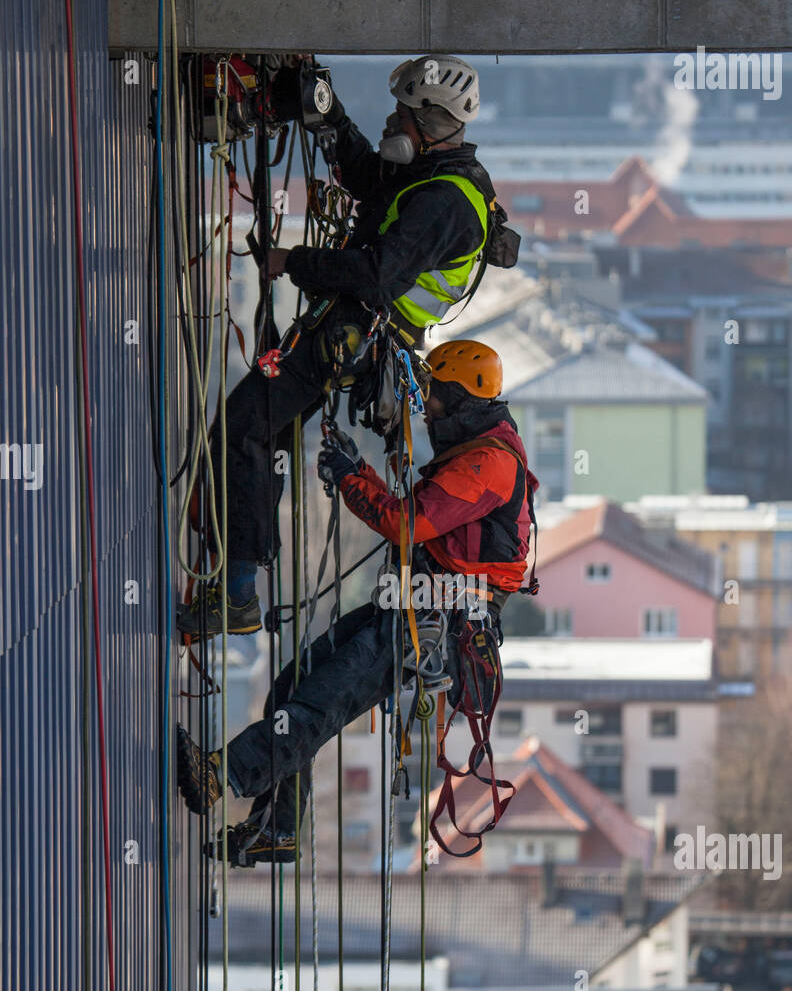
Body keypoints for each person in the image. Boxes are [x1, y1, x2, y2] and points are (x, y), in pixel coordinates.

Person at [176, 339, 539, 866]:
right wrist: (356, 470)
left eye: (436, 394)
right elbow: (415, 513)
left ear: (462, 400)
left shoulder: (486, 463)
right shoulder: (479, 447)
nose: (428, 404)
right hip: (421, 609)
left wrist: (350, 477)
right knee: (295, 685)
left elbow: (406, 522)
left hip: (434, 621)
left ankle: (221, 775)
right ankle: (277, 827)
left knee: (316, 703)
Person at [178, 54, 503, 640]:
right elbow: (370, 180)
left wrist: (290, 262)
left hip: (356, 336)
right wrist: (326, 116)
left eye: (402, 113)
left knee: (245, 426)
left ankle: (239, 592)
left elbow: (377, 274)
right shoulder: (435, 175)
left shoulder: (447, 202)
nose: (393, 122)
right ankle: (235, 560)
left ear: (427, 123)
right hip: (353, 333)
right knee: (258, 430)